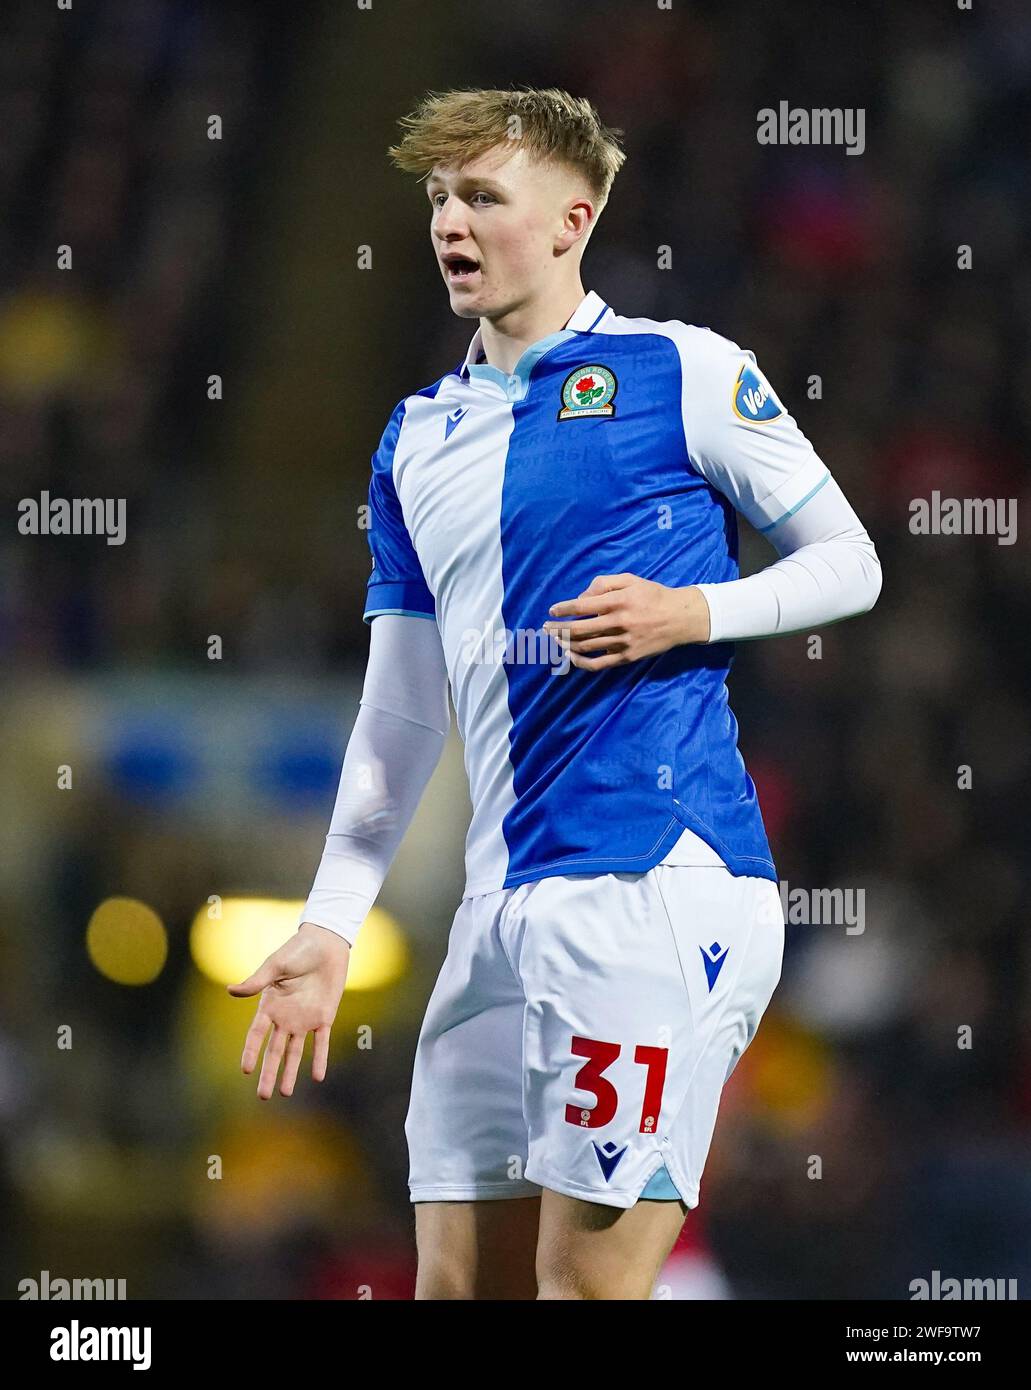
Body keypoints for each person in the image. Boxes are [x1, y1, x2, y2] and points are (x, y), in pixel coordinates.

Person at [228, 87, 882, 1300]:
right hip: (497, 904)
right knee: (457, 1290)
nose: (448, 224)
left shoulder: (683, 371)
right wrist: (332, 918)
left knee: (582, 1290)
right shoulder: (416, 436)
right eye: (437, 199)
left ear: (573, 217)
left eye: (482, 197)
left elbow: (850, 560)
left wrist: (695, 609)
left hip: (649, 883)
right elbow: (402, 704)